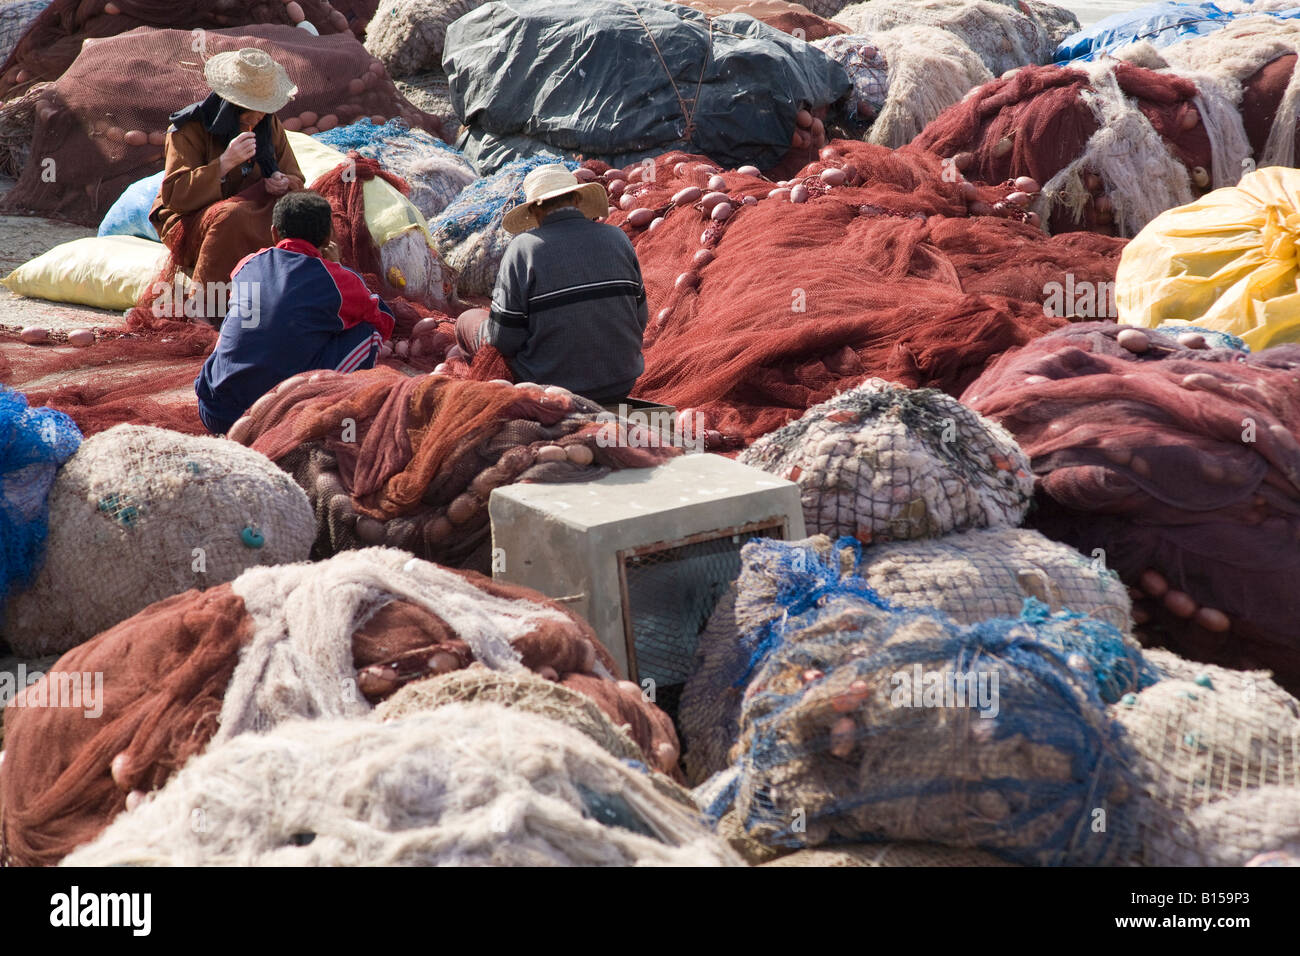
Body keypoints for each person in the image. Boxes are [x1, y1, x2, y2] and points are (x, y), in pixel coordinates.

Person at [195, 190, 395, 435]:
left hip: (213, 410)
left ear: (275, 233)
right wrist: (338, 265)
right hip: (277, 419)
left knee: (242, 318)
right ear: (327, 238)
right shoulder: (337, 279)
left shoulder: (247, 265)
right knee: (369, 332)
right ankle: (320, 410)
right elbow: (382, 320)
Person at [455, 164, 648, 404]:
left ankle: (484, 402)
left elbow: (502, 340)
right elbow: (640, 319)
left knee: (467, 320)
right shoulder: (618, 238)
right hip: (621, 383)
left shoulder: (523, 249)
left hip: (551, 389)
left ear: (535, 210)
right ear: (577, 198)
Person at [150, 48, 305, 321]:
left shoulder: (268, 124)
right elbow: (175, 196)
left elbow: (295, 176)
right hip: (193, 218)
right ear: (231, 104)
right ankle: (209, 311)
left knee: (309, 210)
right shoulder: (188, 128)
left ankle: (305, 302)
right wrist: (224, 163)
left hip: (252, 209)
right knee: (232, 216)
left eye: (263, 110)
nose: (258, 117)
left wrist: (282, 182)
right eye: (250, 110)